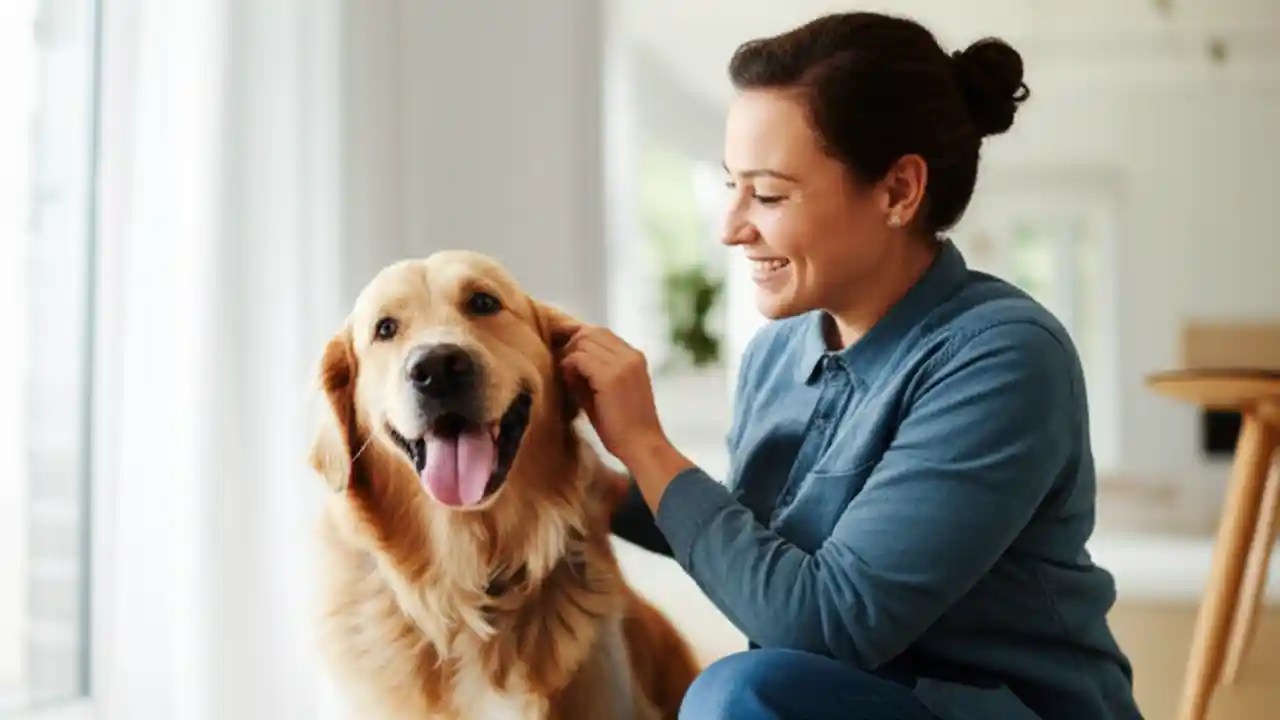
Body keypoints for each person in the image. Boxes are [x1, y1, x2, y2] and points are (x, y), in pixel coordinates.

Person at [560, 11, 1142, 720]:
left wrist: (645, 442)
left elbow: (825, 624)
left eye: (769, 193)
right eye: (731, 186)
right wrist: (586, 481)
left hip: (1007, 711)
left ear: (898, 191)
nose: (731, 227)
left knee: (738, 694)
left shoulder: (1004, 357)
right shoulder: (776, 355)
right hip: (850, 699)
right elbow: (753, 551)